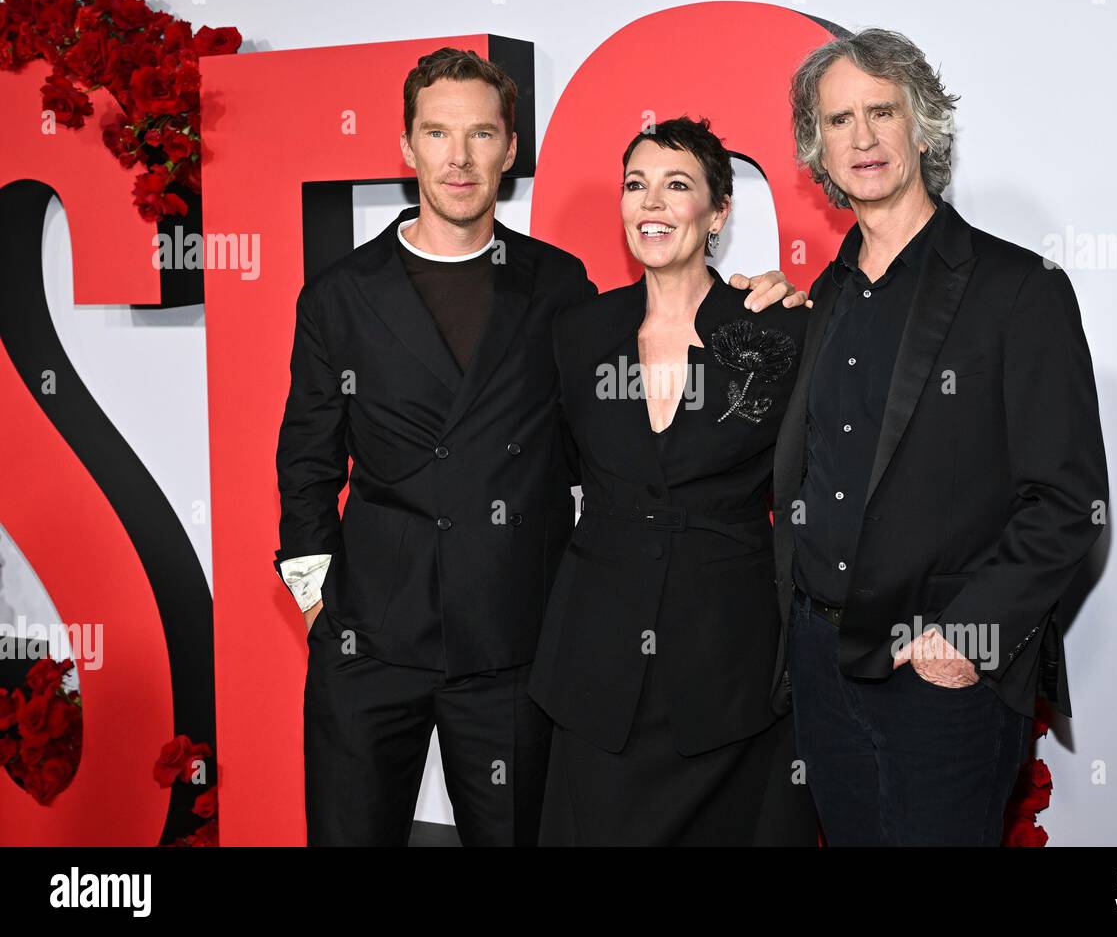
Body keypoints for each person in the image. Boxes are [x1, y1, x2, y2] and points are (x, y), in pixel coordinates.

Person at [274, 49, 805, 846]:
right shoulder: (339, 295)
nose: (459, 158)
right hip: (369, 640)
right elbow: (307, 462)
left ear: (510, 150)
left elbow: (600, 449)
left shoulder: (560, 291)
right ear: (406, 147)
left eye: (481, 134)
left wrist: (769, 303)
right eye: (438, 133)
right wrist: (319, 607)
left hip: (512, 644)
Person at [771, 28, 1108, 845]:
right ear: (819, 147)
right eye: (840, 119)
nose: (863, 138)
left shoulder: (1018, 288)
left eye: (881, 111)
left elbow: (1067, 504)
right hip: (819, 662)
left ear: (922, 125)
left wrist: (966, 639)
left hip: (938, 679)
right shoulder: (825, 296)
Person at [528, 117, 820, 845]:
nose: (651, 203)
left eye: (677, 185)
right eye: (636, 185)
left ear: (718, 213)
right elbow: (549, 470)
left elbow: (814, 486)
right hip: (597, 670)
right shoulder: (578, 334)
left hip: (729, 671)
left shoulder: (778, 331)